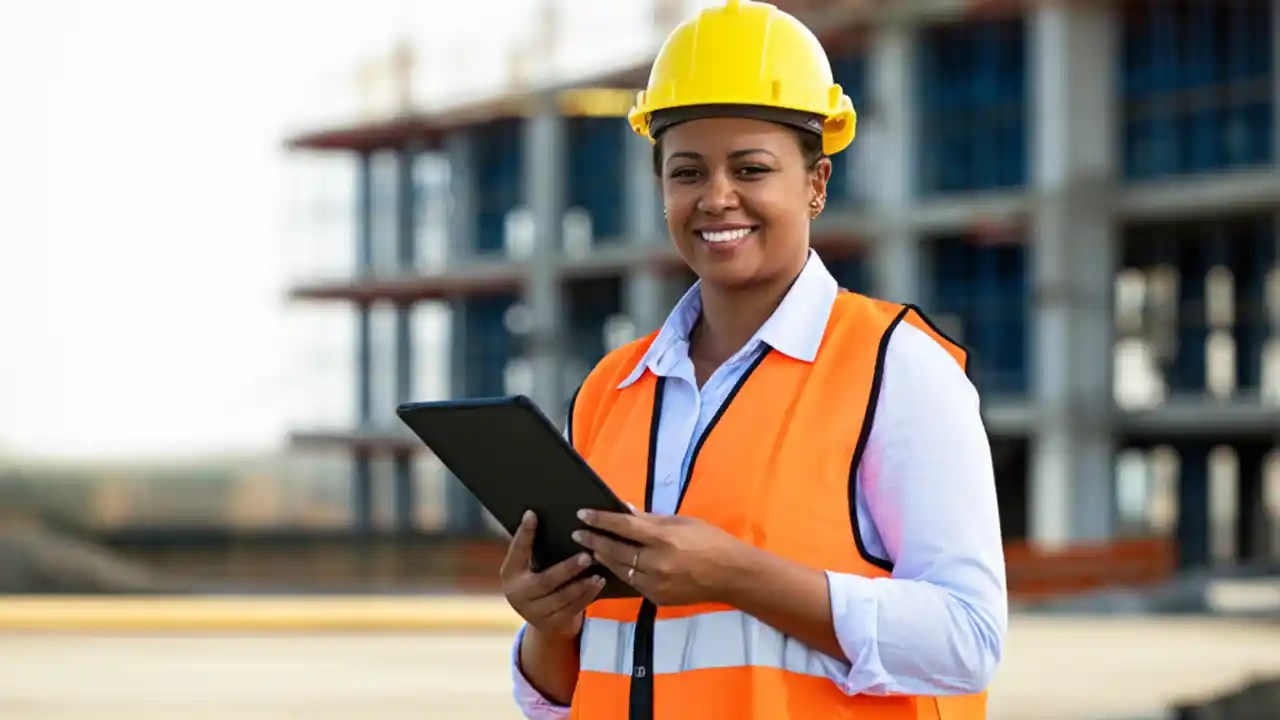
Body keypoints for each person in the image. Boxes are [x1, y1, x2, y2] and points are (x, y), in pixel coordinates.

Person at [499, 1, 1007, 718]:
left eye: (751, 168)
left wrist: (739, 575)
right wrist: (548, 623)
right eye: (686, 173)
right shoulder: (612, 389)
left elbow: (968, 641)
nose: (716, 197)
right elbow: (566, 695)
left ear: (816, 184)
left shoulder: (895, 369)